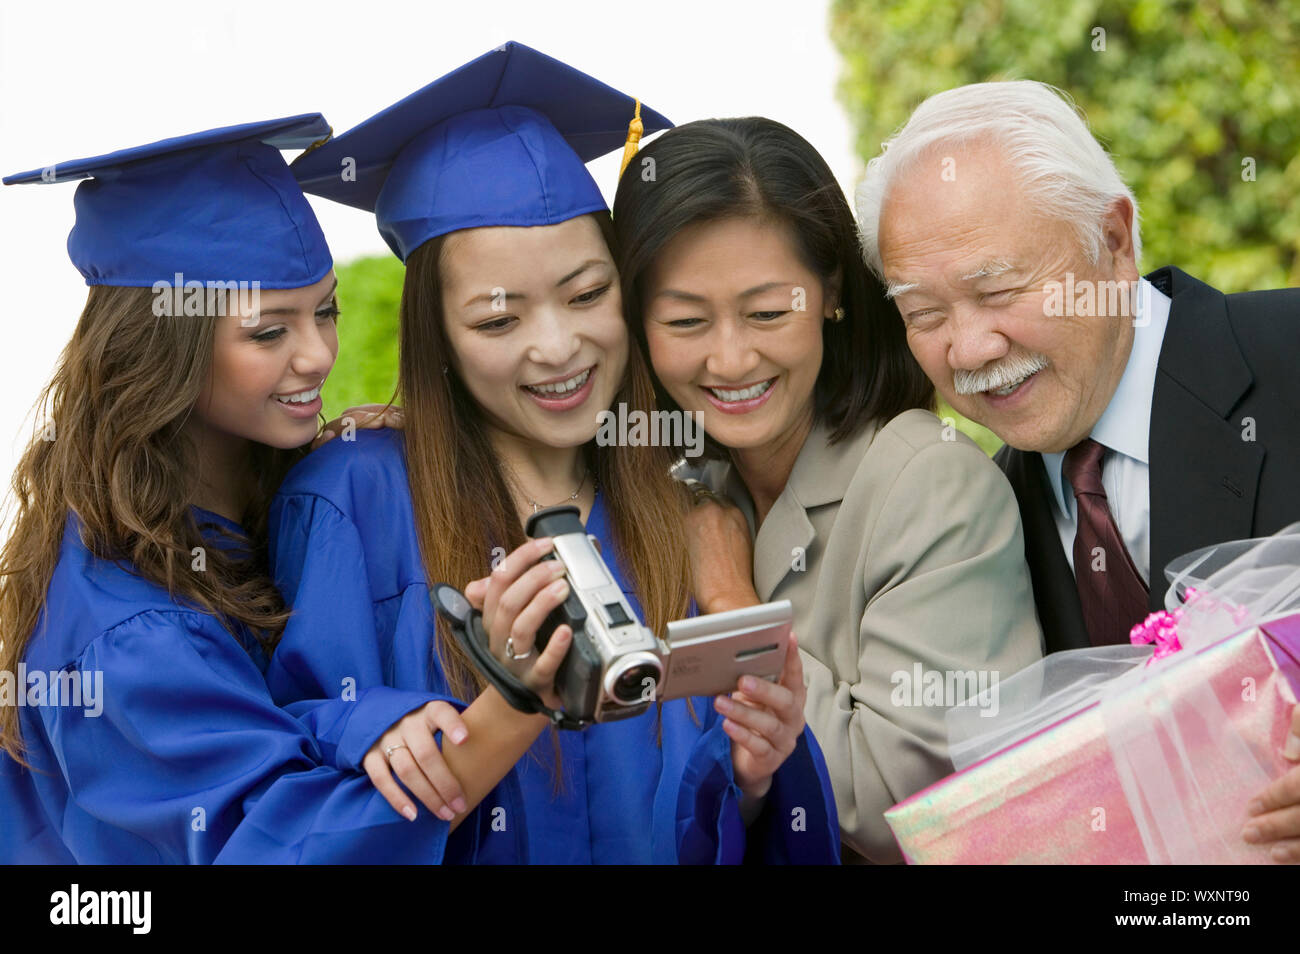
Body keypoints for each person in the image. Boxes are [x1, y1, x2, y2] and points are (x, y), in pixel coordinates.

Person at [268, 42, 840, 864]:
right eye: (498, 321)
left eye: (588, 294)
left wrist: (756, 782)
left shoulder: (678, 501)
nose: (558, 347)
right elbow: (291, 782)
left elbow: (722, 816)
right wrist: (366, 723)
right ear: (439, 337)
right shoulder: (350, 501)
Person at [854, 79, 1300, 861]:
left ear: (1116, 242)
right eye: (924, 315)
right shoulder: (979, 521)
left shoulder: (1288, 357)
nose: (969, 351)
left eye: (998, 290)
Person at [0, 114, 457, 863]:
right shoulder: (127, 628)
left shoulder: (275, 490)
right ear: (163, 347)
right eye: (269, 332)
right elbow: (278, 839)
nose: (318, 355)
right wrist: (509, 713)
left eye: (326, 311)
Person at [610, 116, 1044, 863]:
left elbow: (910, 809)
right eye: (685, 320)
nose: (731, 358)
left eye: (768, 313)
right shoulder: (661, 477)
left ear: (832, 293)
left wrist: (734, 608)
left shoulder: (931, 487)